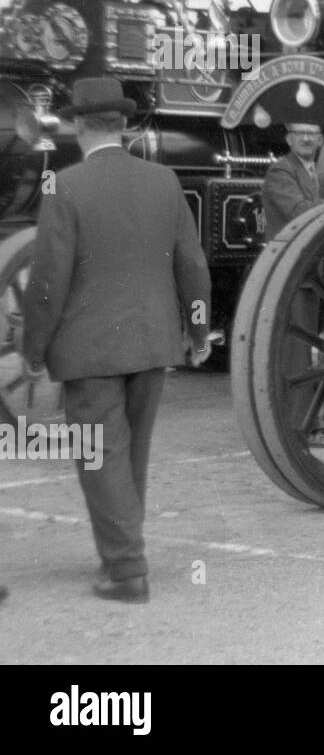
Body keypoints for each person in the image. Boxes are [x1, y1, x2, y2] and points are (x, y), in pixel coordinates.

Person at [20, 77, 211, 603]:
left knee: (102, 459)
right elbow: (193, 267)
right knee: (130, 458)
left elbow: (46, 283)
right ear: (124, 125)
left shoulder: (65, 186)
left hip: (89, 352)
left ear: (78, 125)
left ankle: (127, 570)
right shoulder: (165, 180)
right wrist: (197, 332)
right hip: (152, 346)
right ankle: (122, 553)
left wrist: (33, 352)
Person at [261, 122, 324, 240]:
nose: (306, 139)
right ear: (289, 139)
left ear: (320, 140)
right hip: (287, 253)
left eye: (311, 134)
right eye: (300, 133)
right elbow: (299, 211)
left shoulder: (316, 171)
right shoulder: (280, 170)